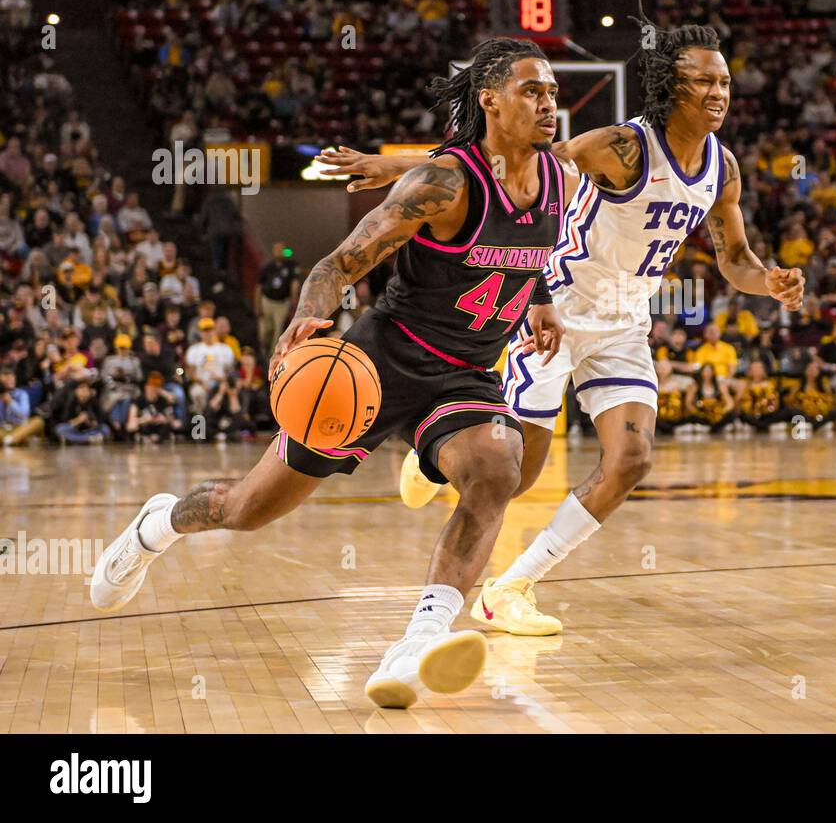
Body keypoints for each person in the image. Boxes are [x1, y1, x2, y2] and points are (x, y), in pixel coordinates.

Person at [90, 37, 577, 708]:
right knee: (246, 511)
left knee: (498, 470)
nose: (550, 103)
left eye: (552, 92)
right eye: (533, 90)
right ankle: (157, 527)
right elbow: (337, 265)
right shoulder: (443, 183)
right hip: (378, 366)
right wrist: (309, 320)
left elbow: (533, 248)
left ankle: (419, 640)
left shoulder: (559, 180)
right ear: (490, 99)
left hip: (465, 374)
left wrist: (542, 298)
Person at [319, 19, 803, 638]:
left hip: (625, 322)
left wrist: (772, 280)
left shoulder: (723, 168)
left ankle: (511, 587)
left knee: (632, 459)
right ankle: (431, 459)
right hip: (555, 309)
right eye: (704, 80)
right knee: (515, 477)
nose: (719, 92)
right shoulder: (622, 147)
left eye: (725, 81)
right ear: (671, 86)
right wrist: (398, 166)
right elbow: (512, 160)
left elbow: (735, 260)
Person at [256, 242, 299, 359]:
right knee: (265, 330)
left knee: (278, 330)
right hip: (267, 301)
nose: (279, 252)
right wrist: (258, 305)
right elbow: (259, 287)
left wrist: (293, 302)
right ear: (273, 251)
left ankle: (271, 356)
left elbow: (294, 284)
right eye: (277, 250)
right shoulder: (267, 267)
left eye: (281, 250)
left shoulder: (291, 266)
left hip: (282, 303)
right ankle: (263, 350)